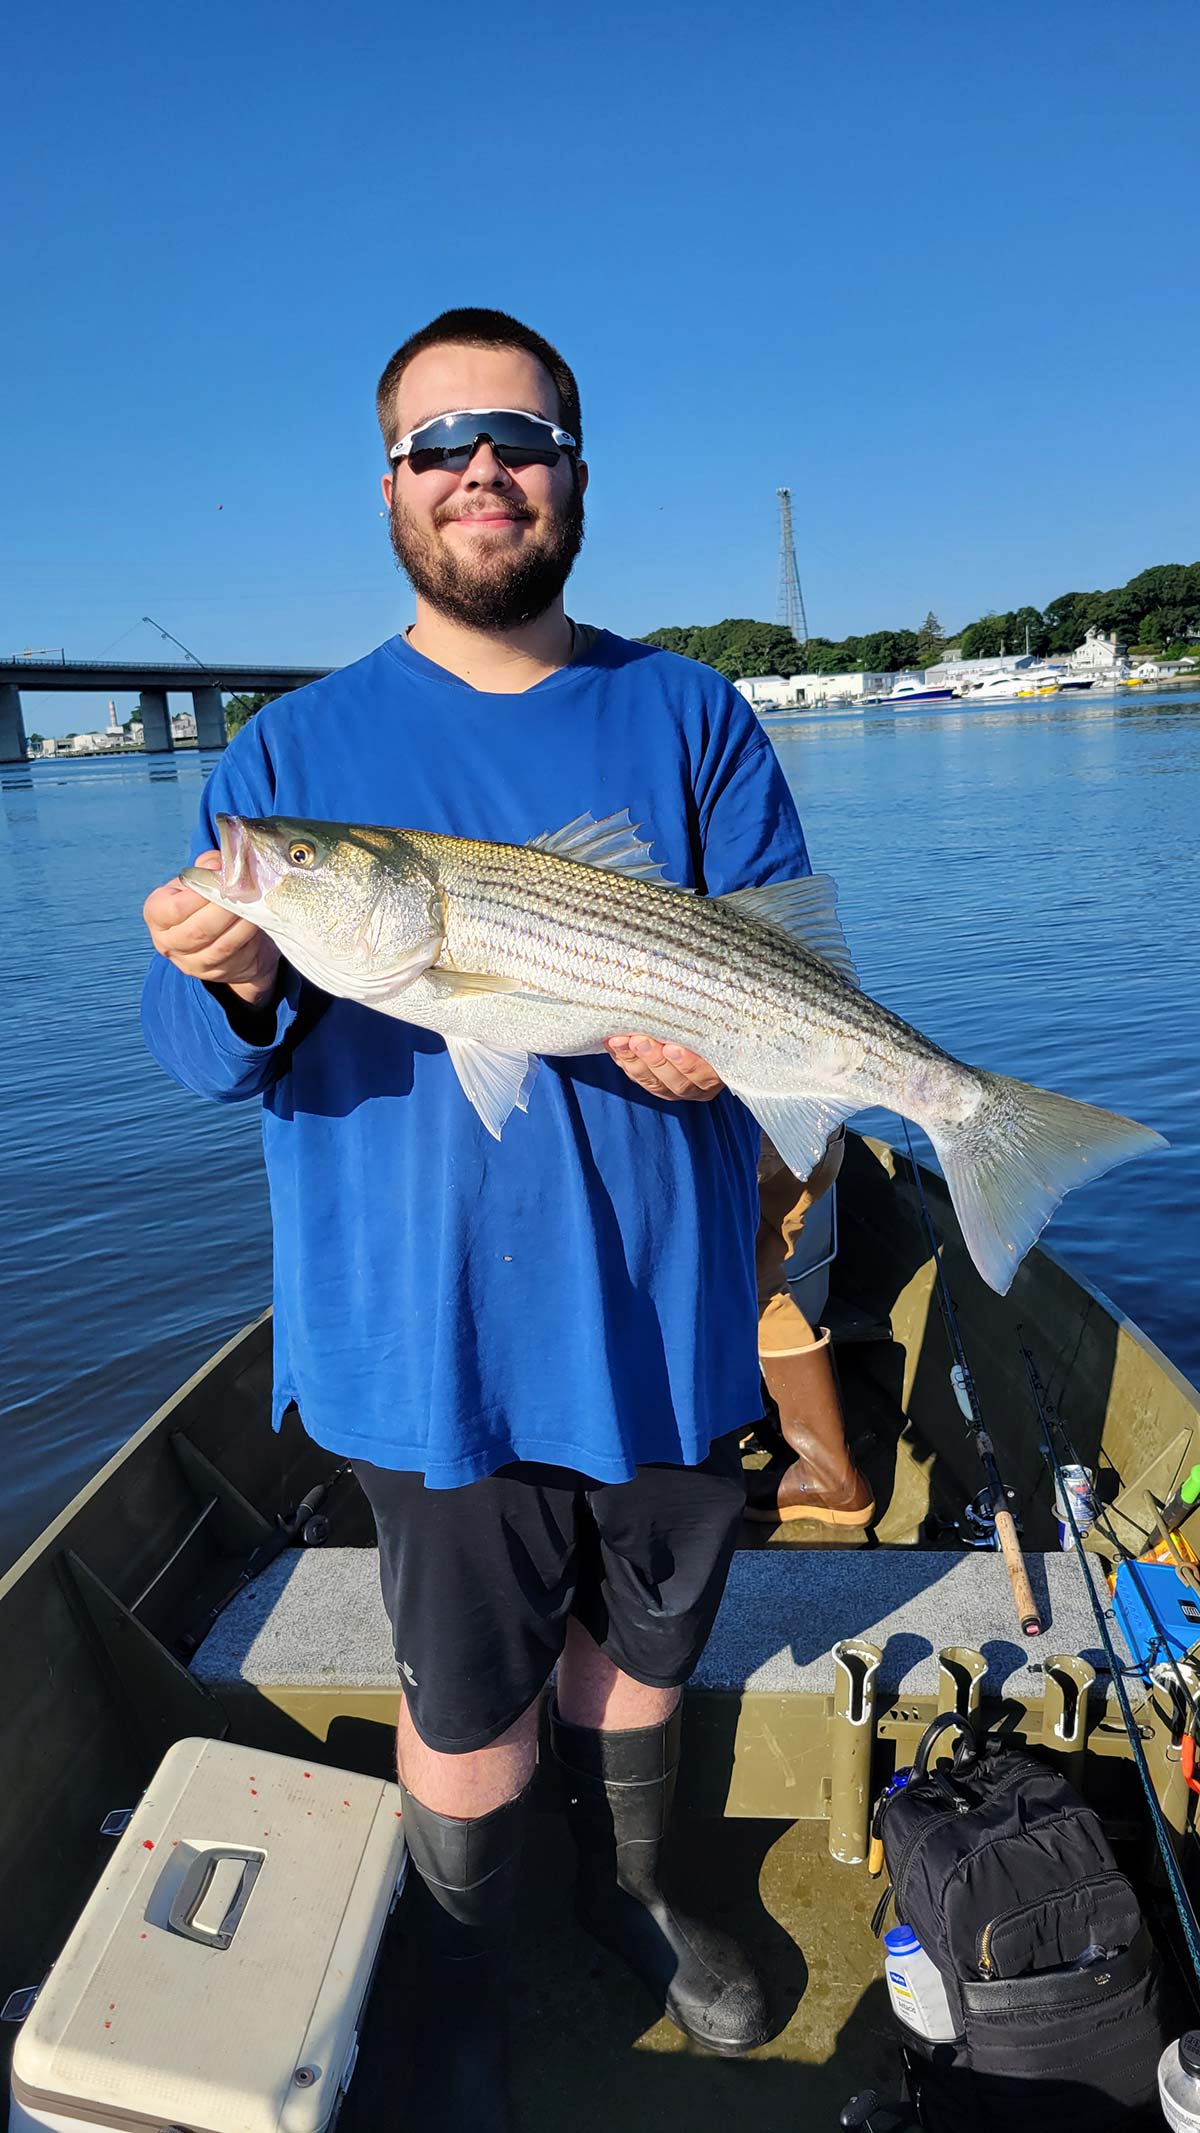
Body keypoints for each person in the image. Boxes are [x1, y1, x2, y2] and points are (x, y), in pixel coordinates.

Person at [141, 308, 816, 2129]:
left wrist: (730, 1056)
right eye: (437, 444)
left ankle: (644, 1881)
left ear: (574, 470)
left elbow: (790, 968)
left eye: (516, 436)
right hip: (422, 1344)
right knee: (467, 1707)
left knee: (641, 1657)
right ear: (391, 488)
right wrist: (231, 974)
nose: (479, 471)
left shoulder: (690, 711)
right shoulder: (287, 758)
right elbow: (207, 1058)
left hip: (669, 1319)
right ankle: (465, 1955)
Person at [745, 1128, 875, 1525]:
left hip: (746, 1135)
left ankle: (829, 1477)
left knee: (739, 1283)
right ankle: (827, 1473)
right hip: (816, 1134)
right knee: (761, 1280)